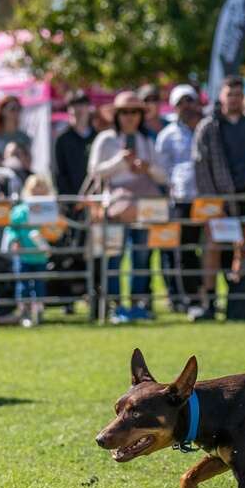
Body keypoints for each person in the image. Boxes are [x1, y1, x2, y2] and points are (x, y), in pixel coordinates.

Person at [193, 76, 245, 318]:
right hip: (218, 198)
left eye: (238, 94)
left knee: (243, 249)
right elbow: (200, 166)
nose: (234, 99)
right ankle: (209, 299)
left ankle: (238, 298)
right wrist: (213, 202)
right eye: (230, 94)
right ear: (221, 95)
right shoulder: (209, 126)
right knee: (213, 247)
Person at [88, 89, 168, 322]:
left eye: (134, 112)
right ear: (116, 114)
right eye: (124, 112)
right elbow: (94, 171)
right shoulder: (106, 139)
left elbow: (164, 175)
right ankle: (114, 306)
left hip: (144, 207)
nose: (130, 116)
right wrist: (119, 161)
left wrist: (147, 169)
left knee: (142, 257)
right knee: (113, 257)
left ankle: (139, 304)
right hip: (115, 207)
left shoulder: (148, 140)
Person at [155, 84, 208, 318]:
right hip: (181, 200)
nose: (186, 106)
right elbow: (162, 169)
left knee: (212, 249)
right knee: (184, 251)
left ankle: (210, 296)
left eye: (189, 100)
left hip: (208, 199)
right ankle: (190, 298)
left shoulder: (207, 128)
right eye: (181, 102)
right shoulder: (167, 135)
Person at [1, 202, 49, 327]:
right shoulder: (19, 211)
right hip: (23, 255)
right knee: (23, 286)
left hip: (40, 256)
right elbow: (12, 228)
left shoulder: (49, 208)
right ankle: (24, 314)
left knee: (39, 285)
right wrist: (15, 240)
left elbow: (53, 228)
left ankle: (38, 312)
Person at [53, 90, 96, 197]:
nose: (78, 109)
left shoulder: (98, 137)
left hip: (96, 199)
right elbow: (59, 172)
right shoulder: (62, 139)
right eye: (74, 105)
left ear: (88, 108)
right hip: (72, 200)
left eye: (82, 104)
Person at [0, 95, 30, 171]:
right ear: (3, 111)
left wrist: (19, 154)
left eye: (19, 109)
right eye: (12, 109)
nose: (16, 112)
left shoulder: (23, 137)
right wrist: (7, 161)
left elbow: (28, 165)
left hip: (19, 177)